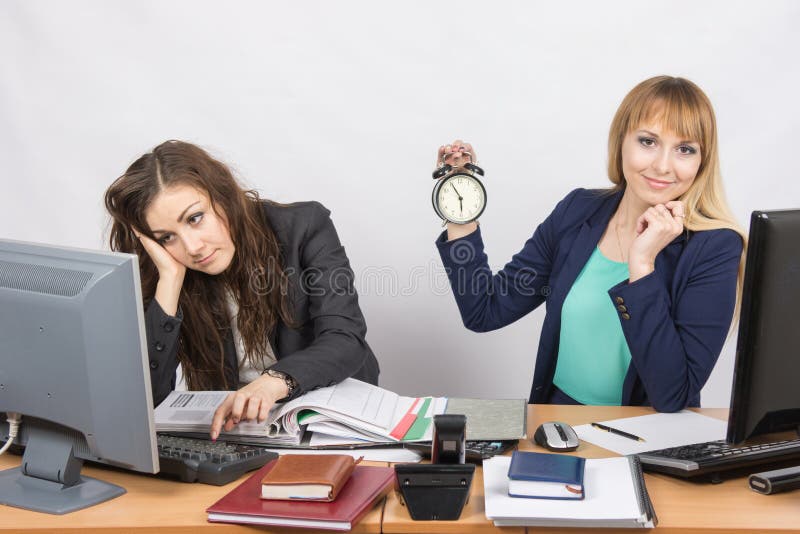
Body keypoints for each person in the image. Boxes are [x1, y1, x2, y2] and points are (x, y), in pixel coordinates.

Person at [435, 76, 745, 412]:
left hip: (645, 440)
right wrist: (460, 209)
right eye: (648, 141)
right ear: (621, 142)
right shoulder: (578, 211)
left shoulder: (715, 248)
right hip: (558, 425)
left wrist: (642, 265)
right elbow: (485, 310)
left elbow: (672, 396)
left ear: (702, 161)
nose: (663, 165)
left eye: (685, 149)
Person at [105, 140, 379, 438]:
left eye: (195, 218)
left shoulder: (304, 226)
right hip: (239, 438)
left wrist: (273, 382)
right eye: (167, 237)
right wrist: (169, 280)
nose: (192, 248)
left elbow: (345, 338)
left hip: (331, 424)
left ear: (223, 197)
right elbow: (149, 403)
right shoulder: (168, 270)